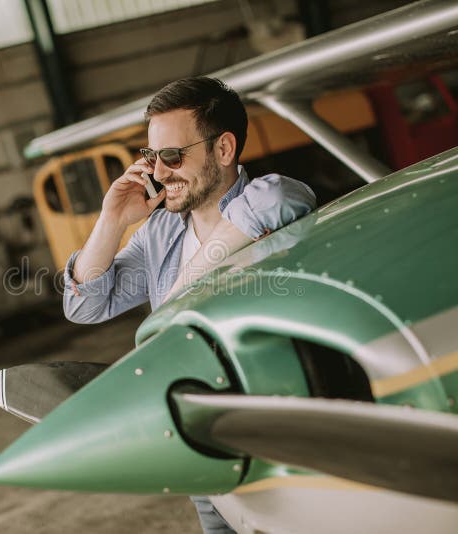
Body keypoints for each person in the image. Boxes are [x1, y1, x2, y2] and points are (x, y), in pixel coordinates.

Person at [62, 76, 316, 533]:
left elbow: (279, 197)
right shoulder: (161, 234)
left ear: (223, 149)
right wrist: (112, 218)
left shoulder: (273, 205)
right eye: (150, 157)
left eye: (173, 157)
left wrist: (195, 274)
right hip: (203, 444)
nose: (159, 174)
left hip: (281, 439)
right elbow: (85, 306)